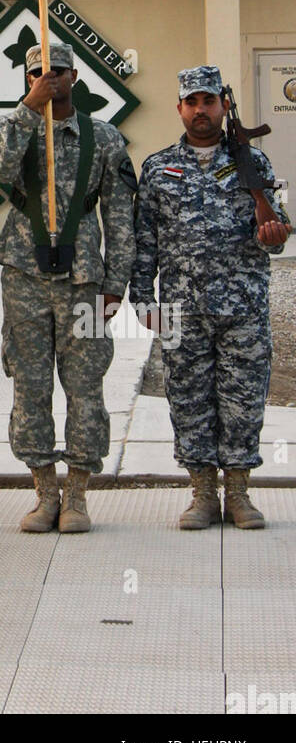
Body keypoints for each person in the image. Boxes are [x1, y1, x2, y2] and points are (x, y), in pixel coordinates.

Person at [0, 43, 136, 533]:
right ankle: (44, 492)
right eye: (39, 74)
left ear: (75, 75)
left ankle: (78, 497)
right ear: (26, 79)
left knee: (86, 387)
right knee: (29, 385)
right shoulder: (13, 130)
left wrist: (116, 284)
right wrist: (29, 110)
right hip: (24, 276)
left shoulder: (104, 137)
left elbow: (120, 215)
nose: (51, 79)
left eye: (59, 71)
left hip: (84, 279)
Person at [130, 65, 290, 530]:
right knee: (188, 399)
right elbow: (146, 239)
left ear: (222, 105)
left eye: (209, 101)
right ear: (180, 108)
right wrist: (142, 298)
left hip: (244, 307)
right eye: (192, 102)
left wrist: (273, 233)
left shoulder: (253, 163)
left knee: (243, 399)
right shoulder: (158, 167)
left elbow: (275, 238)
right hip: (181, 308)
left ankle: (239, 492)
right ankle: (201, 492)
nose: (201, 110)